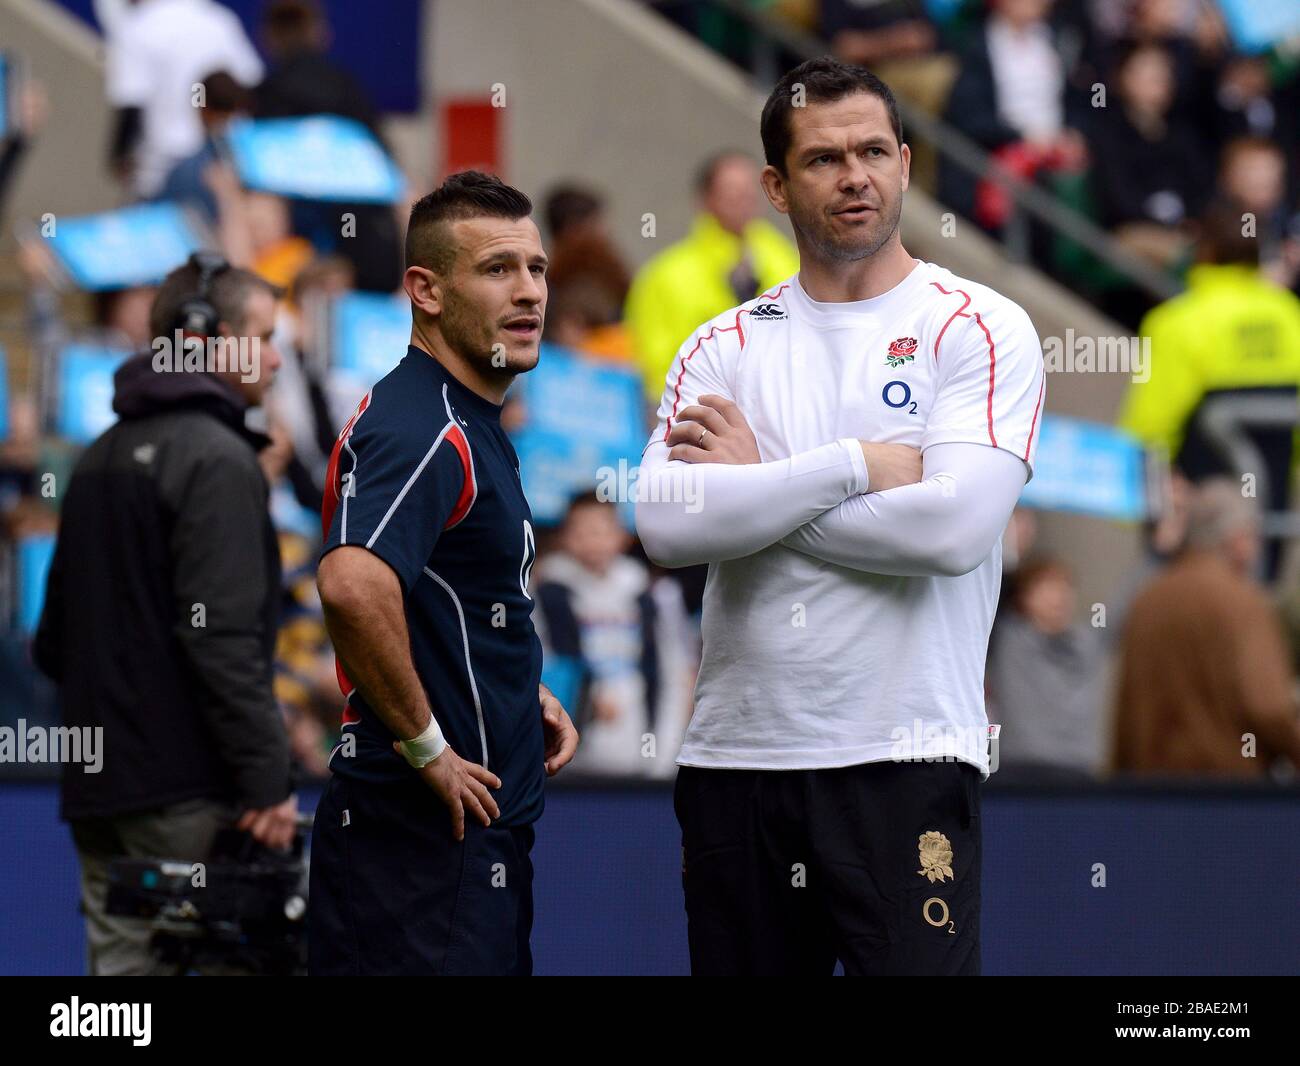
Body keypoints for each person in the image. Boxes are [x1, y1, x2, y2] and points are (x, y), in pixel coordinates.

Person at [635, 57, 1046, 976]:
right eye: (823, 159)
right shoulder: (724, 343)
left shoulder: (978, 326)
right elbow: (665, 527)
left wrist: (760, 487)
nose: (853, 174)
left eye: (872, 151)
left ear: (905, 163)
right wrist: (854, 468)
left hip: (906, 759)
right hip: (737, 763)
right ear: (776, 187)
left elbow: (950, 535)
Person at [309, 172, 579, 976]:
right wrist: (429, 746)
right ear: (425, 290)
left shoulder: (465, 416)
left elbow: (443, 597)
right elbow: (352, 585)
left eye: (536, 269)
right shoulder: (423, 424)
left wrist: (512, 690)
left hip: (449, 844)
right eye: (498, 269)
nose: (529, 291)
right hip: (423, 845)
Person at [34, 253, 295, 975]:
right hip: (190, 795)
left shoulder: (96, 459)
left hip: (98, 794)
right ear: (206, 339)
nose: (276, 361)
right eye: (266, 337)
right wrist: (267, 779)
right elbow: (224, 643)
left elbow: (53, 642)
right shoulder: (218, 459)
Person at [1113, 478, 1300, 776]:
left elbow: (1125, 707)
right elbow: (1269, 708)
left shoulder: (1146, 602)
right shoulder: (1243, 604)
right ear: (1236, 539)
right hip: (1223, 794)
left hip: (1148, 792)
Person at [534, 492, 690, 777]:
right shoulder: (547, 593)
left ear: (622, 536)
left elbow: (670, 671)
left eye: (601, 531)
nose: (592, 542)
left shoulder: (647, 593)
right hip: (570, 755)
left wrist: (664, 754)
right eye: (581, 532)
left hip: (635, 745)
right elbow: (542, 664)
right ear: (564, 537)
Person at [625, 151, 799, 400]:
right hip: (699, 415)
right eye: (731, 189)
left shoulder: (787, 259)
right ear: (704, 199)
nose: (743, 196)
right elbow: (653, 366)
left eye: (749, 187)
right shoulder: (664, 275)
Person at [104, 0, 263, 198]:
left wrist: (119, 155)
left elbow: (132, 106)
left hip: (162, 168)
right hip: (218, 165)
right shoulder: (219, 21)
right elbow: (252, 85)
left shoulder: (139, 29)